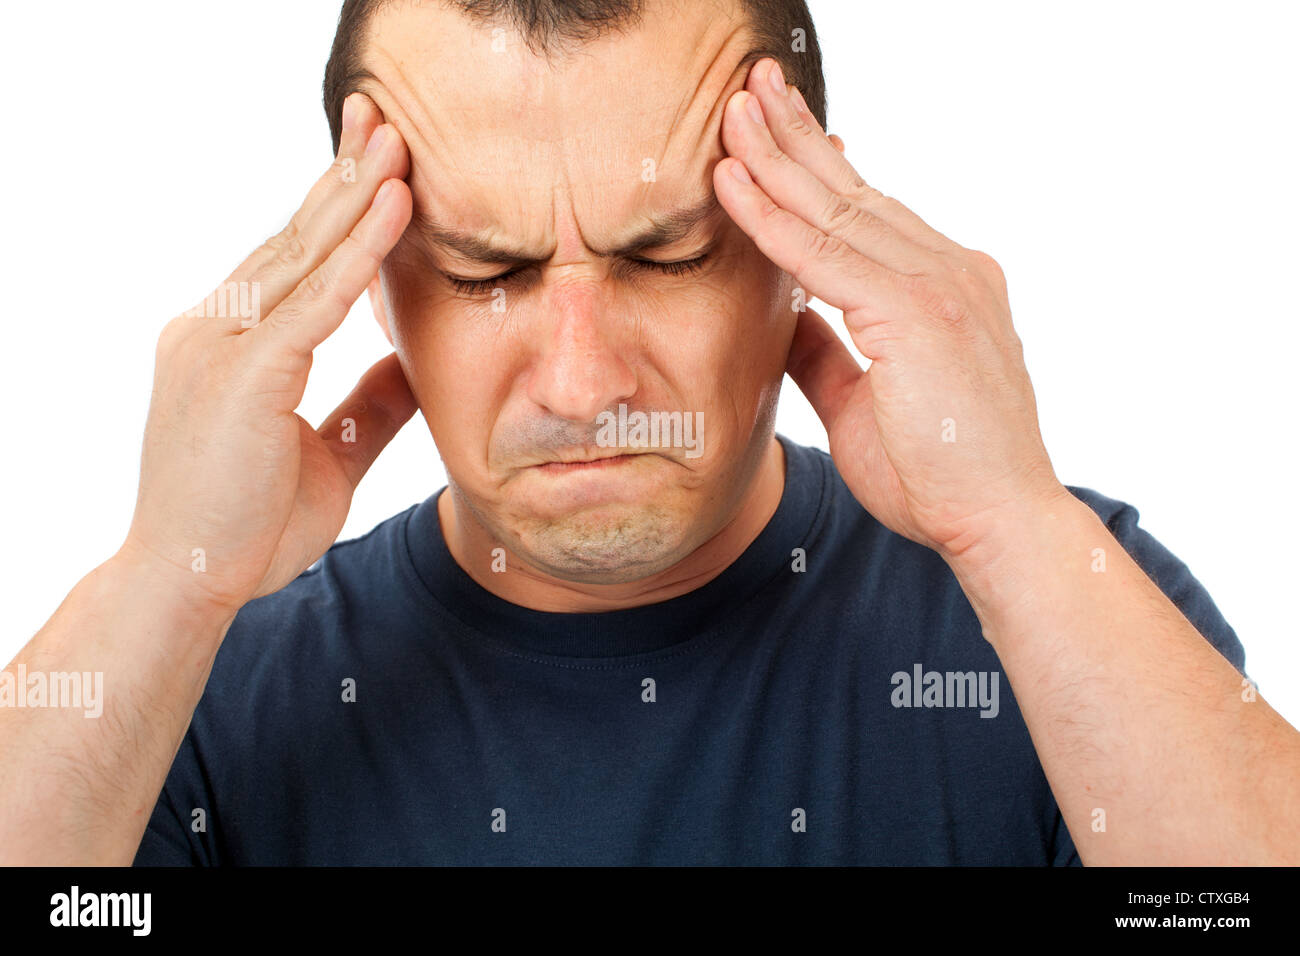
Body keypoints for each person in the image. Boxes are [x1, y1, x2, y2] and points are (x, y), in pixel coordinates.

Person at [2, 0, 1295, 866]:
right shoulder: (197, 692)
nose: (582, 384)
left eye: (670, 256)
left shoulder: (1072, 609)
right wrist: (165, 583)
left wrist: (1010, 528)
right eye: (481, 269)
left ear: (809, 233)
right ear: (369, 277)